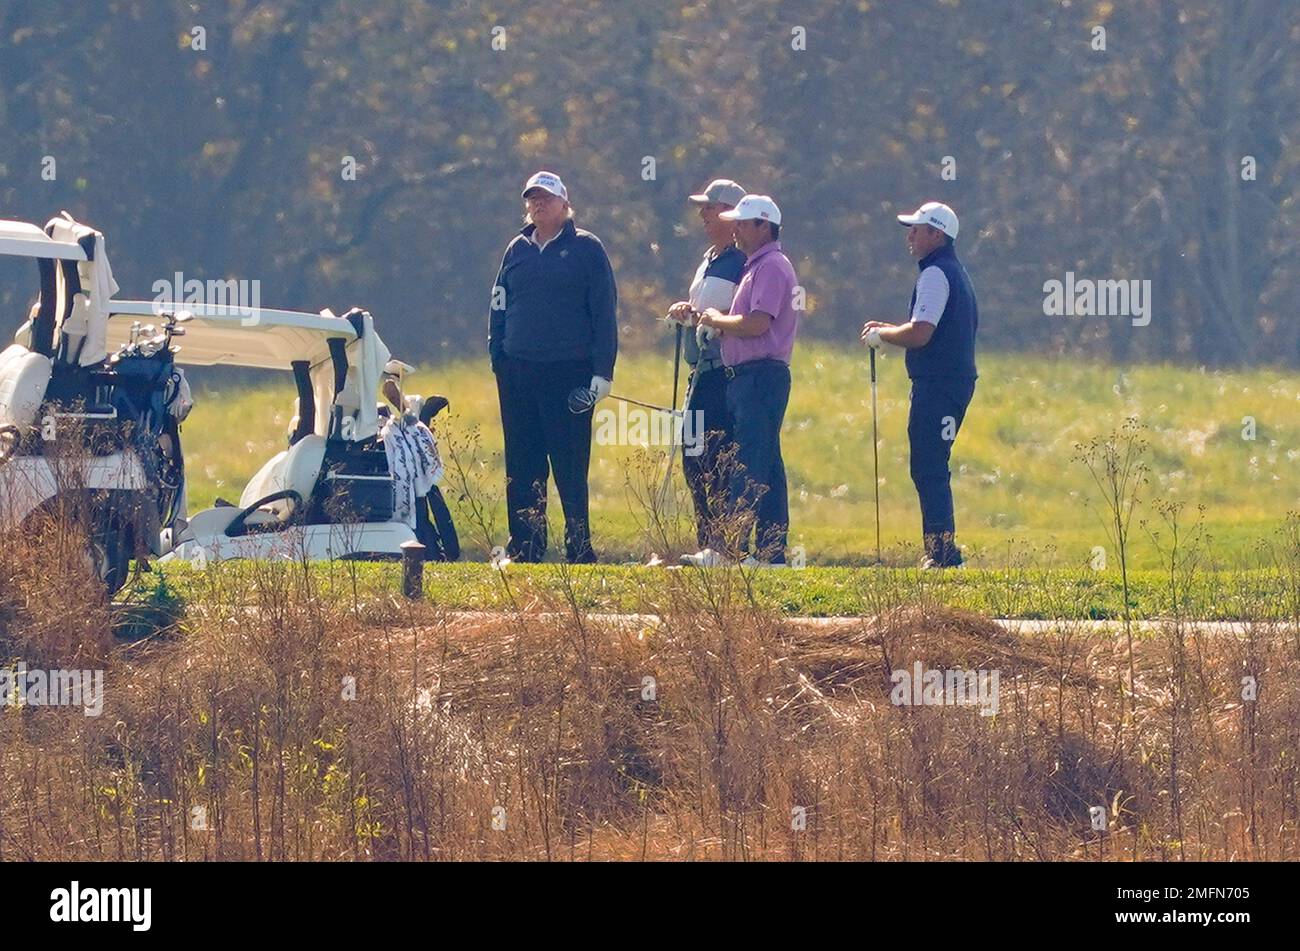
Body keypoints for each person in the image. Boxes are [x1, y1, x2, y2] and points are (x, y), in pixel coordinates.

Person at [488, 171, 618, 563]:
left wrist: (602, 373)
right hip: (519, 372)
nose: (537, 204)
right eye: (532, 198)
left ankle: (579, 548)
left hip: (569, 373)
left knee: (569, 463)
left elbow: (603, 312)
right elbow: (498, 304)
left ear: (564, 203)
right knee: (523, 463)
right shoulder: (517, 249)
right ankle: (526, 546)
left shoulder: (587, 249)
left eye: (545, 198)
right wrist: (499, 358)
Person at [678, 194, 800, 566]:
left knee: (749, 462)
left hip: (761, 375)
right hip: (750, 376)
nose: (737, 229)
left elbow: (757, 323)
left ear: (764, 227)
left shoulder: (771, 266)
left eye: (744, 223)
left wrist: (715, 320)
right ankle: (771, 552)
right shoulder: (755, 265)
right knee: (768, 464)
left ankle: (728, 548)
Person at [862, 201, 978, 568]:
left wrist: (883, 335)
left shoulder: (935, 274)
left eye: (917, 229)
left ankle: (944, 555)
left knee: (929, 465)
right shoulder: (951, 271)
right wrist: (889, 332)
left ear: (937, 234)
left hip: (940, 385)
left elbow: (921, 333)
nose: (910, 236)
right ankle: (941, 551)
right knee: (931, 464)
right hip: (951, 383)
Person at [665, 179, 747, 553]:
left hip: (722, 375)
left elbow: (743, 315)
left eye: (709, 208)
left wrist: (706, 317)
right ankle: (707, 542)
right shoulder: (709, 259)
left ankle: (725, 545)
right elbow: (705, 309)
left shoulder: (743, 261)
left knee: (718, 459)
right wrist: (685, 310)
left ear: (730, 214)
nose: (702, 214)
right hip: (699, 372)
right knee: (693, 456)